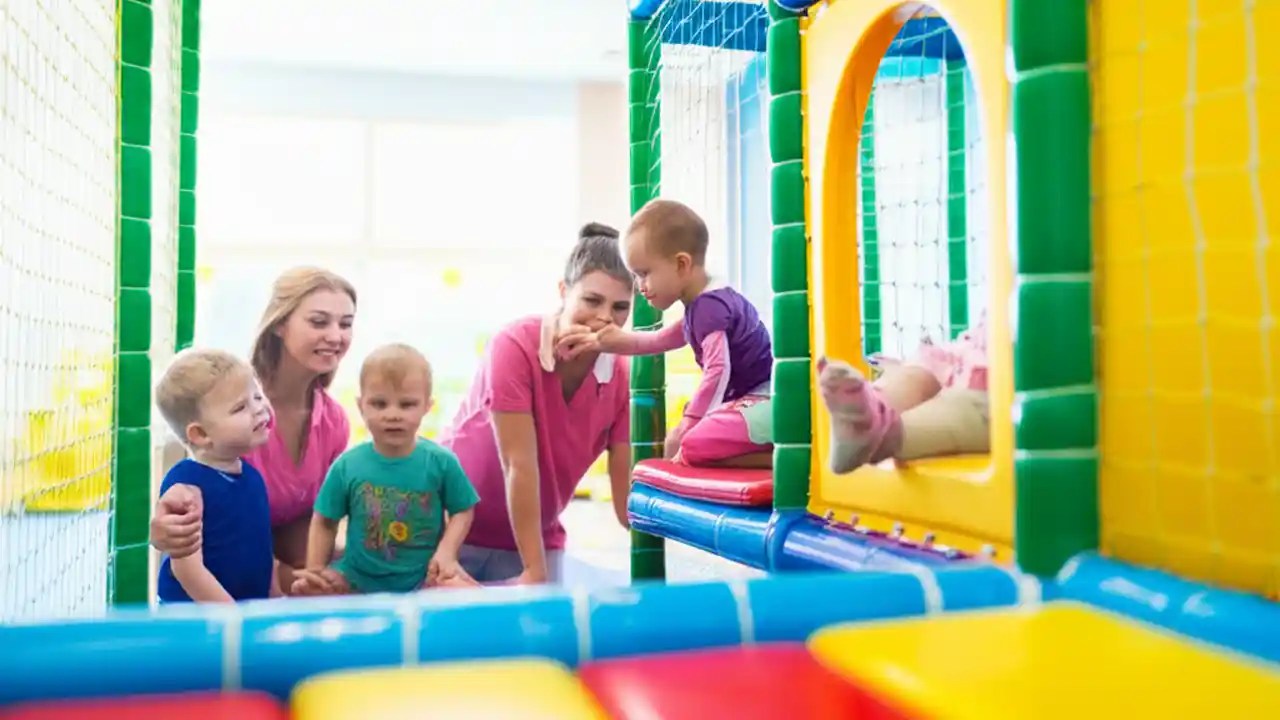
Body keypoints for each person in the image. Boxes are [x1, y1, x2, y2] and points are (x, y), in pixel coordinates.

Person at [439, 222, 635, 585]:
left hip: (530, 539)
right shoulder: (515, 344)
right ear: (564, 291)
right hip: (449, 530)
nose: (606, 317)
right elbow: (519, 464)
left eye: (621, 307)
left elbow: (626, 499)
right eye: (592, 300)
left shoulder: (621, 375)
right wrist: (534, 571)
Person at [149, 267, 357, 592]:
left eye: (346, 324)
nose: (336, 336)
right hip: (227, 570)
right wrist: (165, 529)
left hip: (267, 564)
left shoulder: (333, 422)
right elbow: (183, 499)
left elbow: (316, 521)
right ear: (279, 325)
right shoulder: (225, 410)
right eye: (319, 322)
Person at [556, 199, 774, 468]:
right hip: (754, 403)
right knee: (688, 440)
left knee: (691, 444)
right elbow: (662, 339)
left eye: (644, 274)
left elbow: (718, 369)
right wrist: (608, 341)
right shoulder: (704, 304)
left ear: (681, 264)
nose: (640, 287)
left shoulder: (710, 308)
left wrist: (690, 423)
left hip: (765, 401)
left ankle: (784, 461)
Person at [292, 344, 479, 595]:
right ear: (361, 406)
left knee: (467, 593)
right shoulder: (347, 466)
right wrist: (317, 570)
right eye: (379, 404)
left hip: (423, 578)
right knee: (307, 589)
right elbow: (325, 520)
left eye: (407, 404)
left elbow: (463, 510)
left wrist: (447, 553)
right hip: (356, 578)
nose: (393, 415)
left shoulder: (441, 462)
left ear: (427, 406)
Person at [153, 348, 275, 603]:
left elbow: (262, 547)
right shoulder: (187, 485)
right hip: (194, 621)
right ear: (201, 434)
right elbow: (187, 569)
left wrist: (274, 596)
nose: (258, 408)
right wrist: (233, 618)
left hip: (242, 615)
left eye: (257, 396)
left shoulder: (251, 476)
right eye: (240, 407)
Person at [817, 312, 990, 473]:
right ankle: (872, 407)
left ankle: (881, 434)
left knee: (965, 409)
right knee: (919, 372)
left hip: (1000, 389)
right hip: (974, 354)